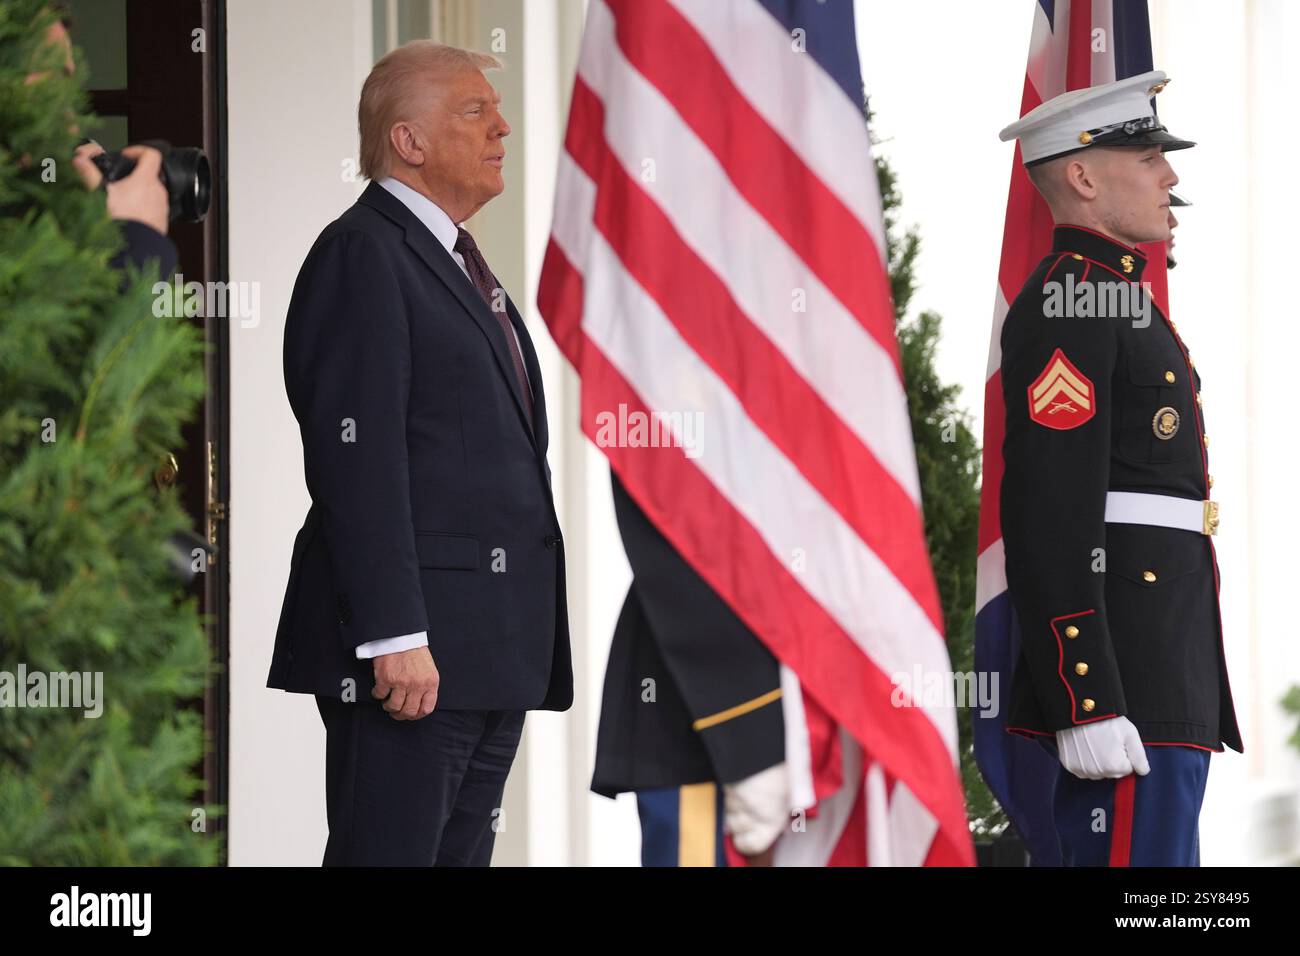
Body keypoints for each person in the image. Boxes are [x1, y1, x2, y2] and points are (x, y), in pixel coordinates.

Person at [267, 41, 572, 866]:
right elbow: (355, 462)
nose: (501, 127)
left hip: (486, 653)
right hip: (413, 659)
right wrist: (392, 632)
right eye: (475, 111)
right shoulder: (364, 252)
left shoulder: (459, 263)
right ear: (409, 141)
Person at [996, 71, 1242, 866]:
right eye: (1148, 156)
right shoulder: (1073, 299)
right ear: (1082, 174)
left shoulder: (1120, 299)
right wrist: (1085, 697)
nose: (1169, 175)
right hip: (1125, 682)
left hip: (1166, 664)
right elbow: (1050, 508)